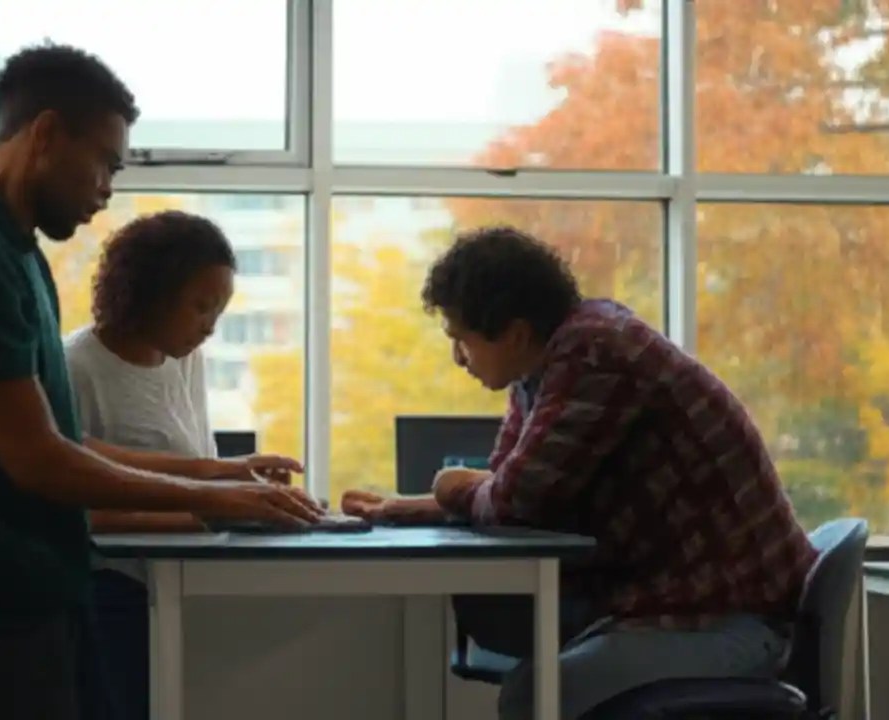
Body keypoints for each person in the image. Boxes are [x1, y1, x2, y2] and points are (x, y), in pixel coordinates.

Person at [0, 43, 321, 720]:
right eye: (105, 160)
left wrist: (220, 475)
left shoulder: (8, 248)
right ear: (44, 134)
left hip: (9, 605)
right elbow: (39, 461)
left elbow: (62, 439)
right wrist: (212, 501)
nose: (108, 186)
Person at [342, 226, 819, 720]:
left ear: (516, 333)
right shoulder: (546, 367)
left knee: (534, 697)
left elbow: (512, 501)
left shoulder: (595, 354)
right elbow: (509, 489)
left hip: (737, 622)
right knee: (532, 678)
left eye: (461, 340)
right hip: (684, 609)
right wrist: (407, 507)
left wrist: (449, 484)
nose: (457, 359)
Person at [64, 209, 307, 719]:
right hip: (110, 600)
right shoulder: (75, 366)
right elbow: (73, 512)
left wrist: (240, 480)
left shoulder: (185, 360)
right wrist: (219, 508)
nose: (210, 328)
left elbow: (191, 468)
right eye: (200, 308)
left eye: (219, 311)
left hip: (184, 587)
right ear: (150, 293)